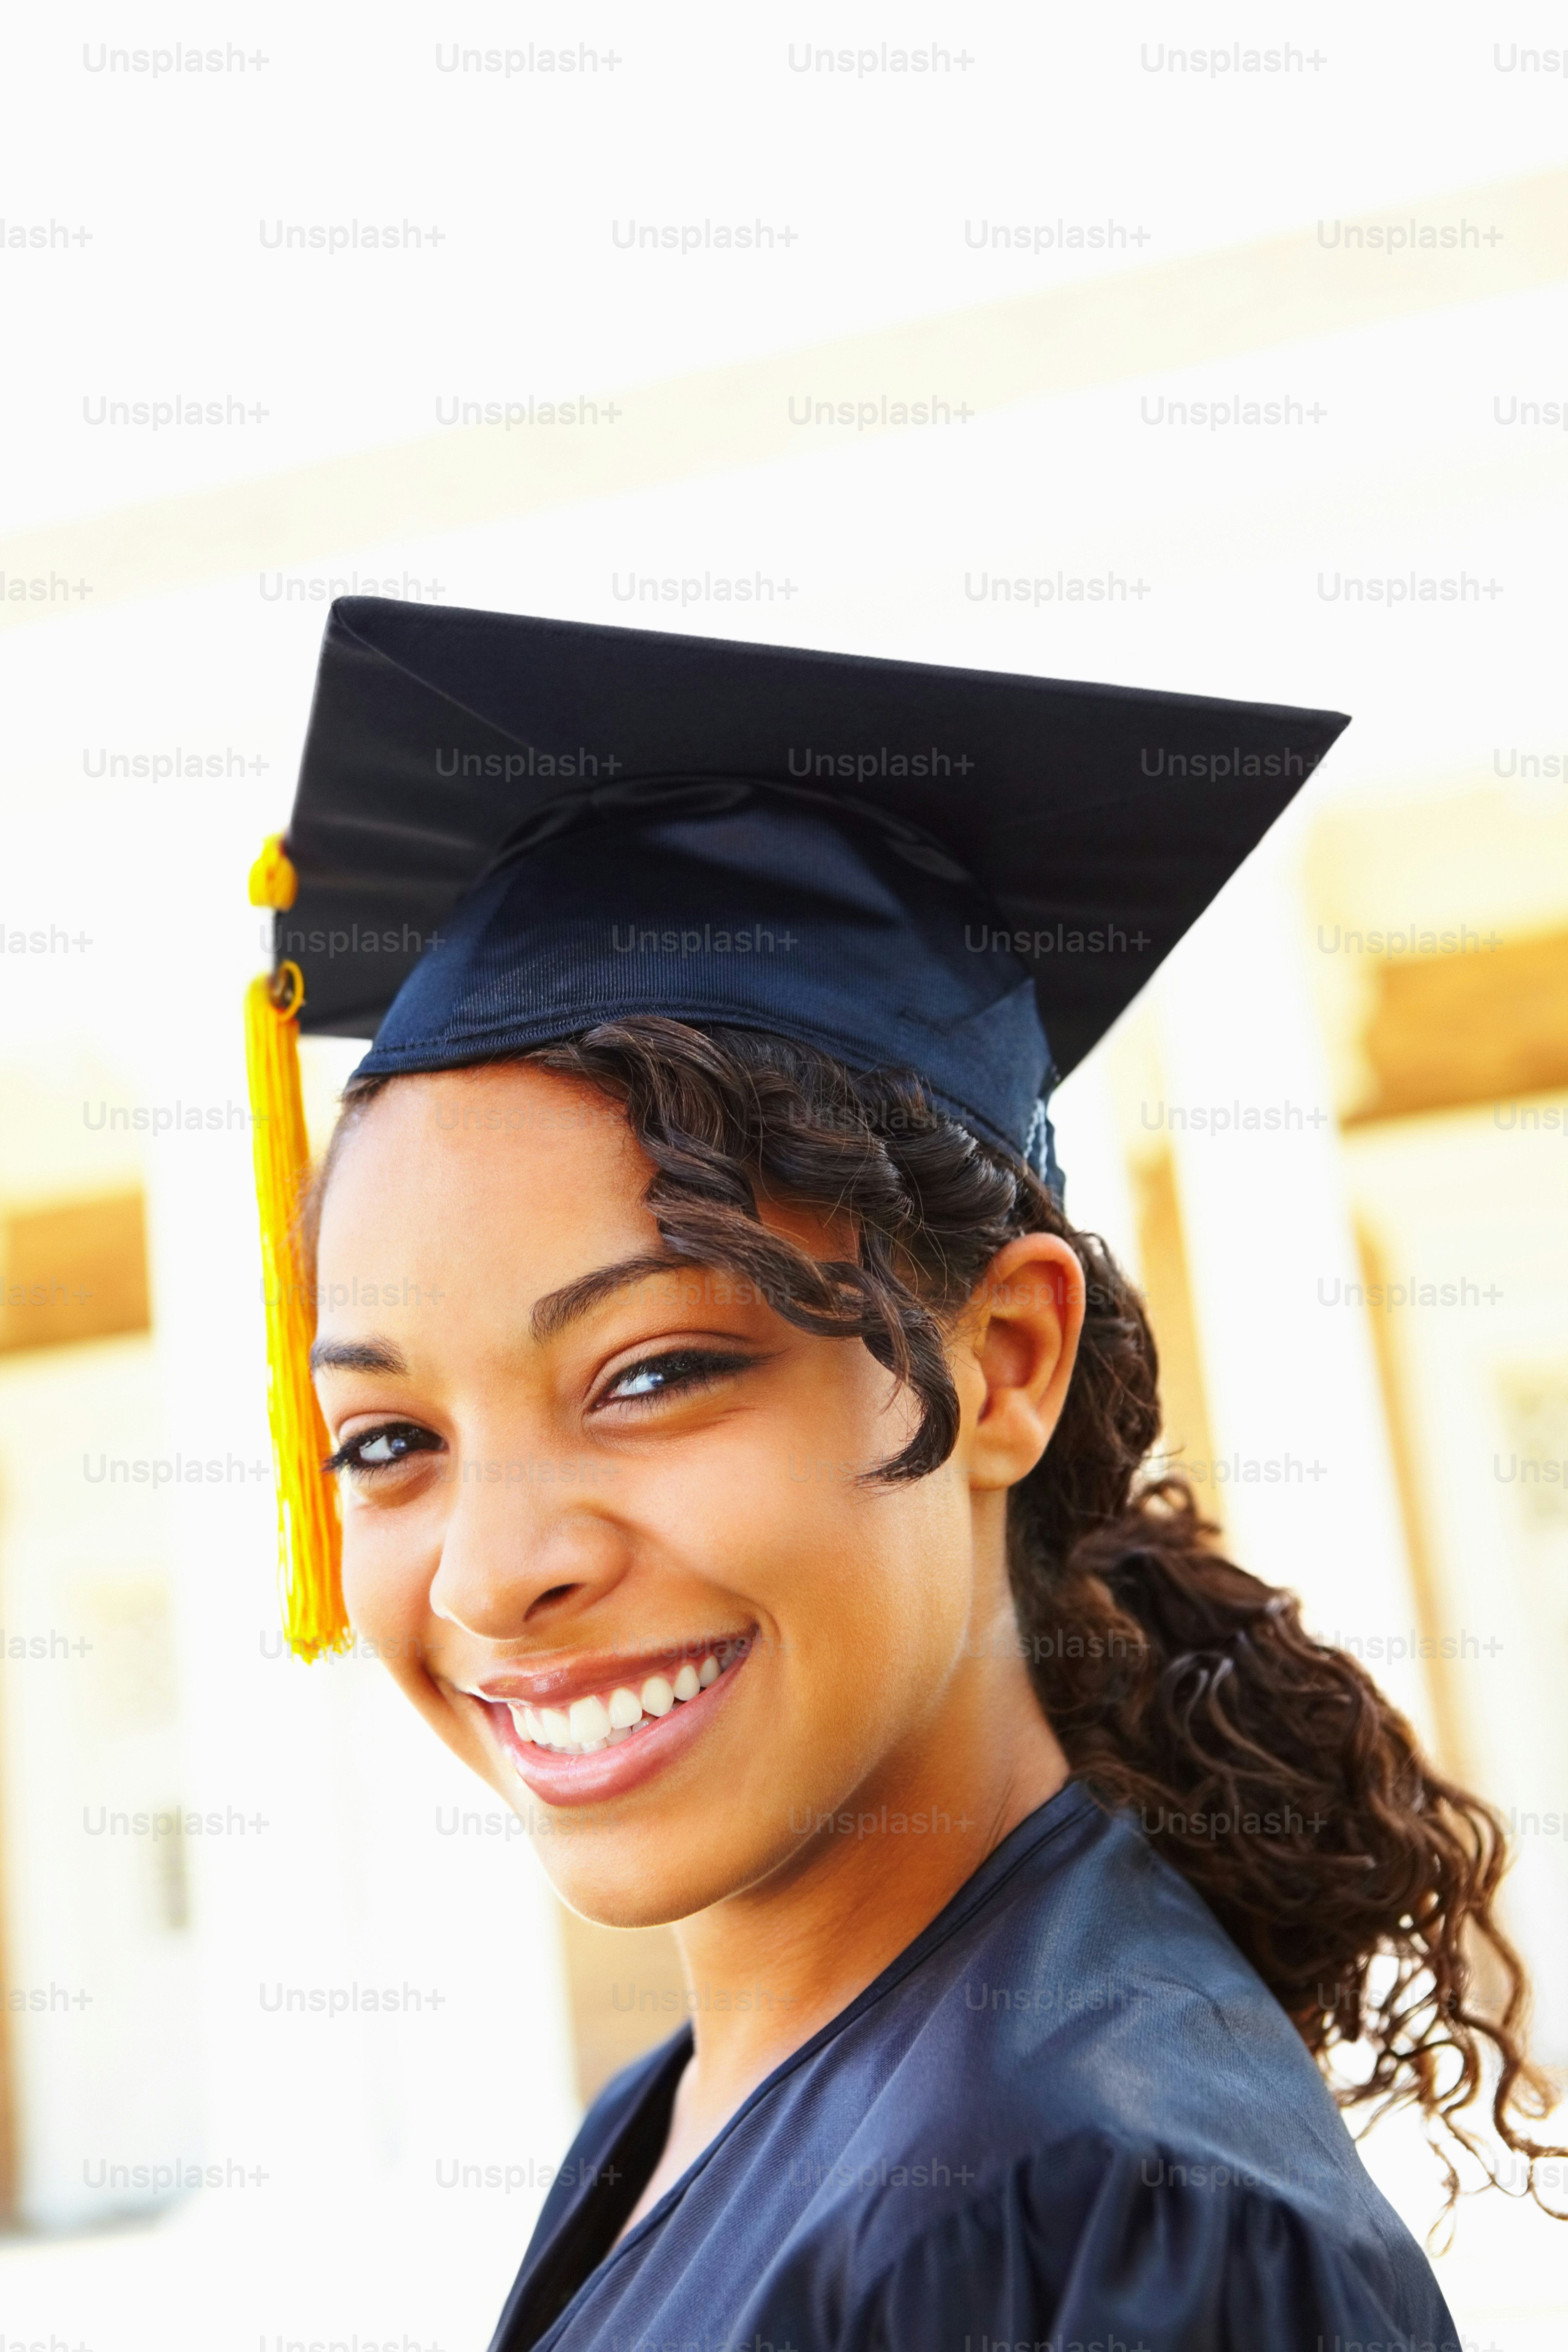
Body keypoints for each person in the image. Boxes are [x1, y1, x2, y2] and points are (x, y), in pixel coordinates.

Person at [245, 598, 1563, 2352]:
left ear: (1003, 1359)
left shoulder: (1106, 2216)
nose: (495, 1573)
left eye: (650, 1375)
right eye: (391, 1440)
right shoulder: (678, 2118)